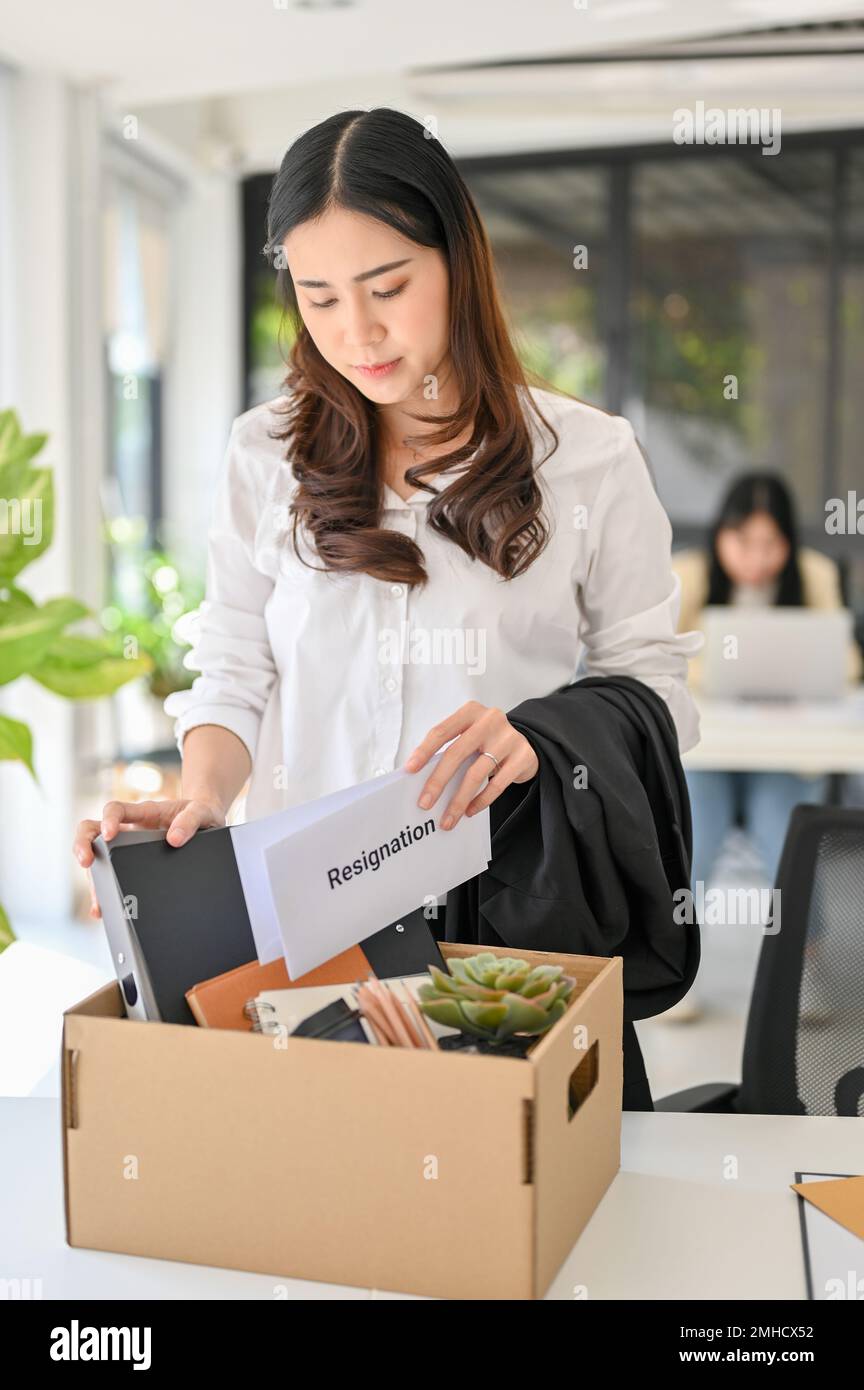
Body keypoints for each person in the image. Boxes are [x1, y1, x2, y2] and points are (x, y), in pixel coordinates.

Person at [73, 107, 703, 1099]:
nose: (355, 333)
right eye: (318, 298)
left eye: (388, 287)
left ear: (458, 259)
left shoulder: (587, 457)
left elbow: (656, 687)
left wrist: (543, 737)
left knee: (504, 1223)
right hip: (305, 940)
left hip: (497, 932)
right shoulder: (263, 451)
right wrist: (202, 793)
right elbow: (234, 663)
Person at [669, 471, 860, 1020]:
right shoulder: (688, 573)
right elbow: (657, 658)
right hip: (708, 750)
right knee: (694, 837)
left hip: (780, 750)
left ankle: (805, 966)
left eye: (771, 543)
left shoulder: (815, 574)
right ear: (720, 535)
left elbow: (846, 662)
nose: (757, 558)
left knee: (789, 833)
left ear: (788, 542)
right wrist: (723, 664)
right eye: (743, 541)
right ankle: (673, 966)